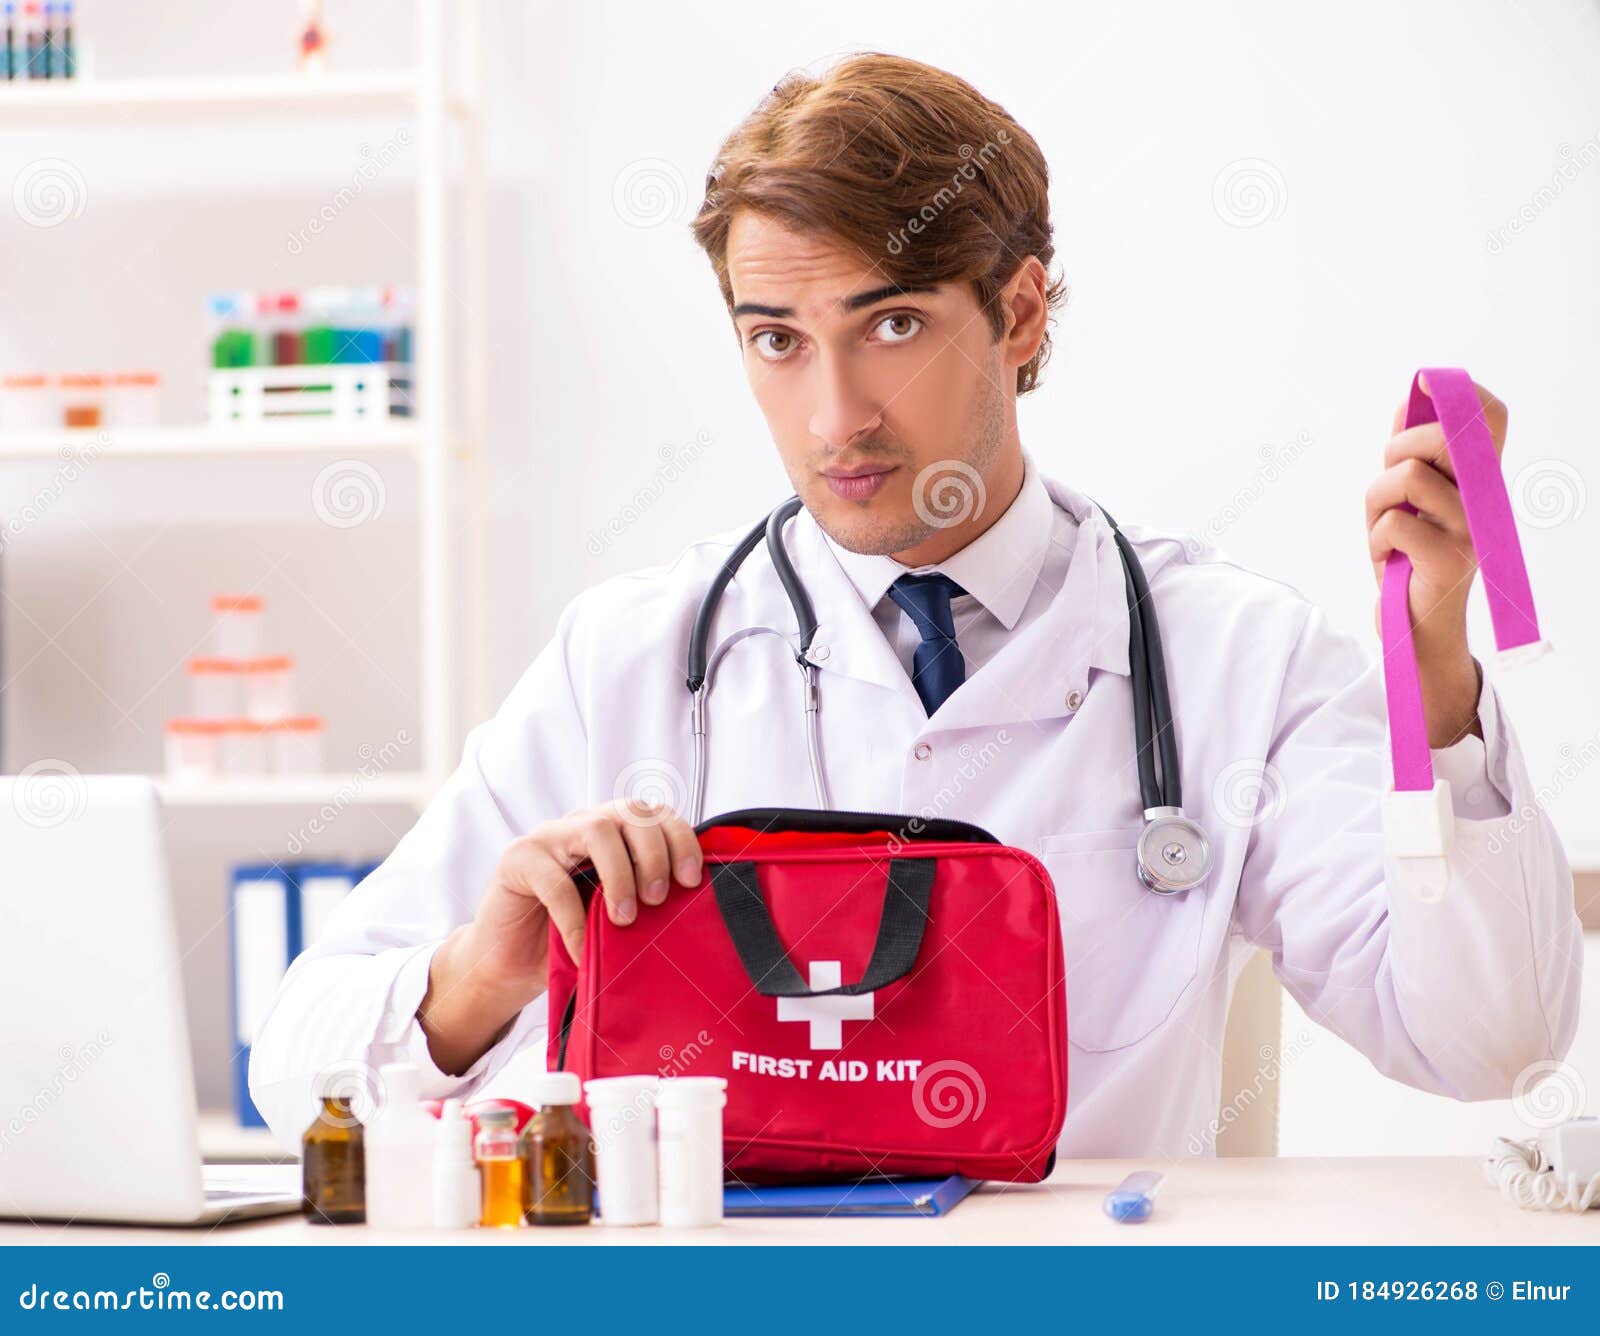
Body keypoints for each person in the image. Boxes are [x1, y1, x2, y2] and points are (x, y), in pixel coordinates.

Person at [250, 52, 1580, 1157]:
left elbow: (1490, 1042)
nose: (833, 417)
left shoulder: (1233, 654)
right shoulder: (632, 657)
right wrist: (483, 979)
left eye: (888, 326)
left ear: (1017, 311)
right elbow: (290, 1057)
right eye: (777, 341)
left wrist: (1432, 674)